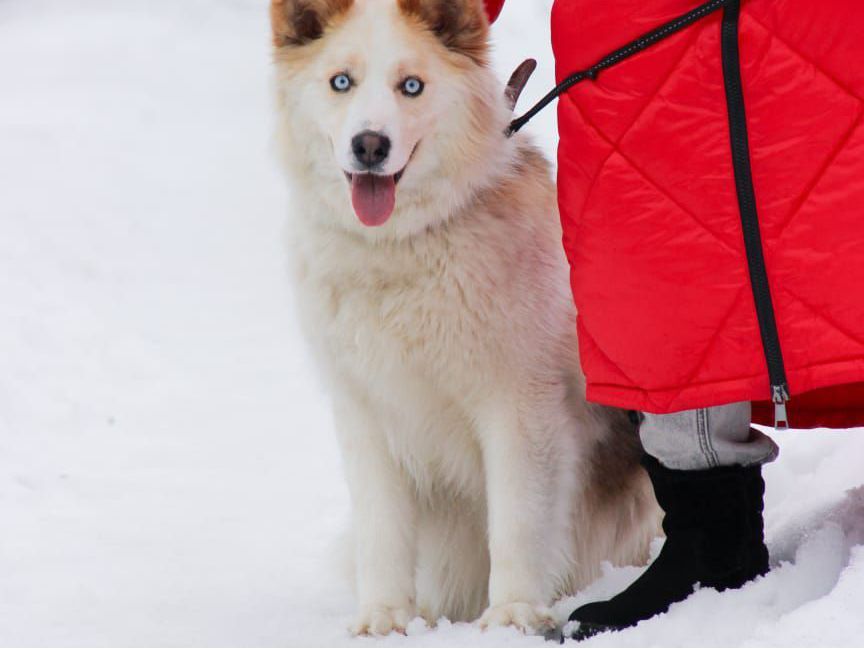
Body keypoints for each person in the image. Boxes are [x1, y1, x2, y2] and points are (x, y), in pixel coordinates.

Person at [486, 0, 864, 640]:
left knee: (841, 238)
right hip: (638, 52)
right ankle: (711, 536)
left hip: (822, 38)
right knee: (663, 294)